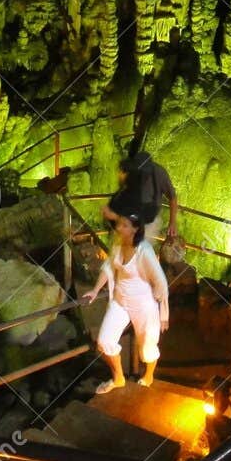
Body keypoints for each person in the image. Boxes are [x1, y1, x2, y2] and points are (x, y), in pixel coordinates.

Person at [82, 209, 169, 392]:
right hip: (120, 302)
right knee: (104, 341)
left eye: (124, 225)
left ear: (135, 229)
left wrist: (163, 314)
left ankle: (148, 375)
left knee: (147, 346)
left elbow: (160, 281)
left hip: (144, 304)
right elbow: (108, 267)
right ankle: (119, 378)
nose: (119, 228)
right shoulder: (118, 245)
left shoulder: (144, 251)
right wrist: (96, 290)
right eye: (119, 224)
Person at [103, 150, 181, 248]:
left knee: (141, 248)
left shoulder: (159, 173)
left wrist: (172, 222)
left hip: (148, 220)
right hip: (130, 218)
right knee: (119, 246)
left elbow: (172, 197)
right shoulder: (131, 173)